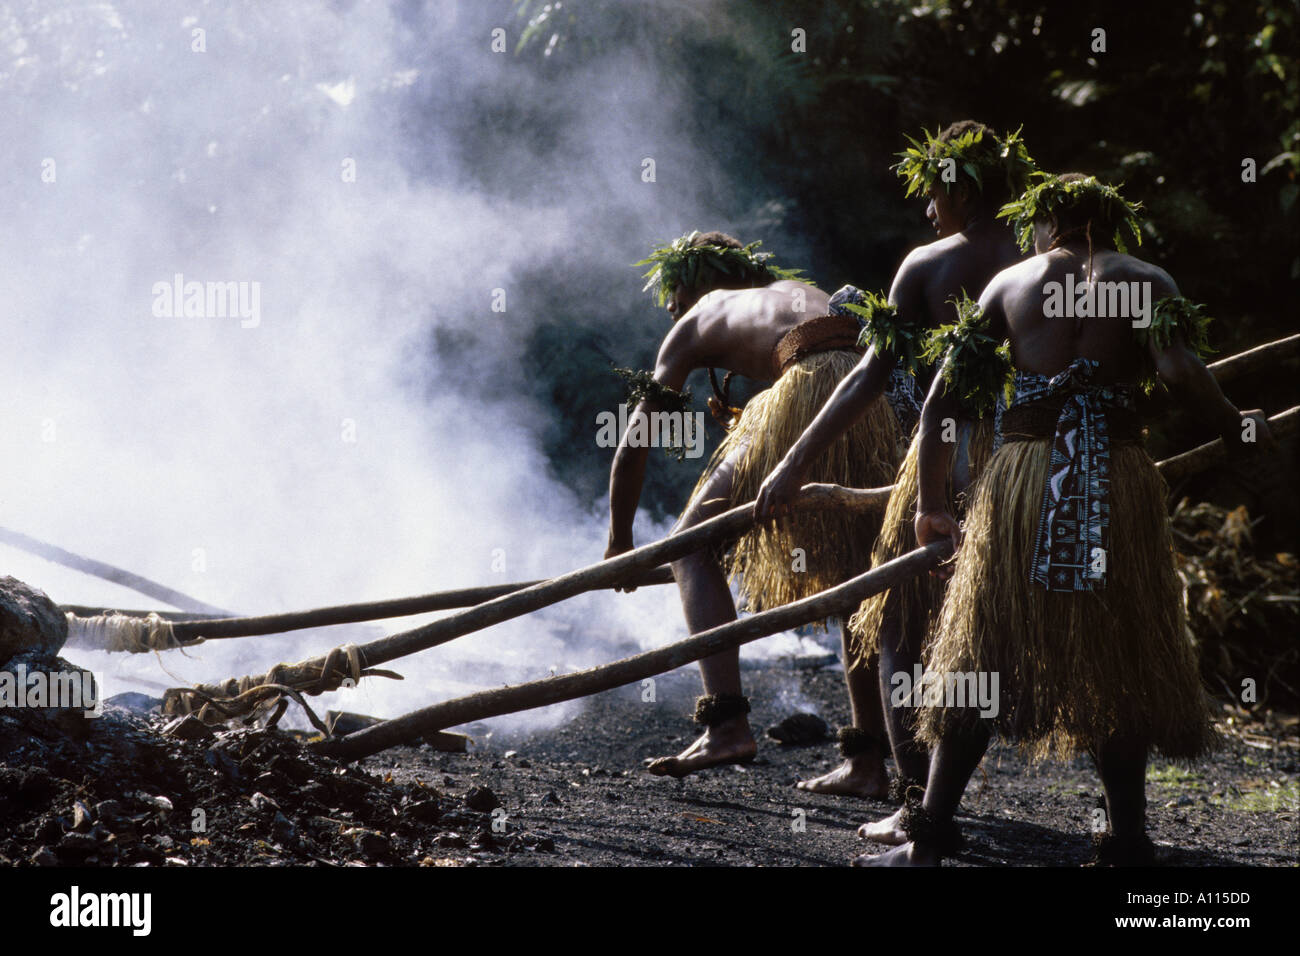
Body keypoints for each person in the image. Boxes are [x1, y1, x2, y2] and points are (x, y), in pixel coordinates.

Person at [858, 173, 1273, 866]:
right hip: (1115, 478)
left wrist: (931, 507)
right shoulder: (1144, 278)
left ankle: (926, 842)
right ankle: (1129, 841)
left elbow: (940, 409)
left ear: (1046, 222)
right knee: (1123, 649)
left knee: (978, 652)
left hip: (1023, 481)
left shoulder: (1009, 285)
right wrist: (1239, 426)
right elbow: (1177, 369)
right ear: (1110, 224)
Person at [755, 122, 1036, 801]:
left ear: (958, 190)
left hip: (952, 459)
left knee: (901, 626)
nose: (926, 211)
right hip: (1036, 464)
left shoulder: (928, 265)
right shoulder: (1045, 259)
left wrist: (790, 462)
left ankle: (914, 803)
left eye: (933, 195)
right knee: (981, 629)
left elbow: (866, 377)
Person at [605, 230, 902, 779]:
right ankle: (866, 761)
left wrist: (619, 542)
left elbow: (636, 440)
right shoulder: (792, 293)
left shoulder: (702, 314)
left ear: (695, 286)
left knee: (690, 545)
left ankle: (725, 727)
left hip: (810, 388)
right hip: (867, 399)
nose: (673, 314)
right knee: (854, 573)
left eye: (673, 302)